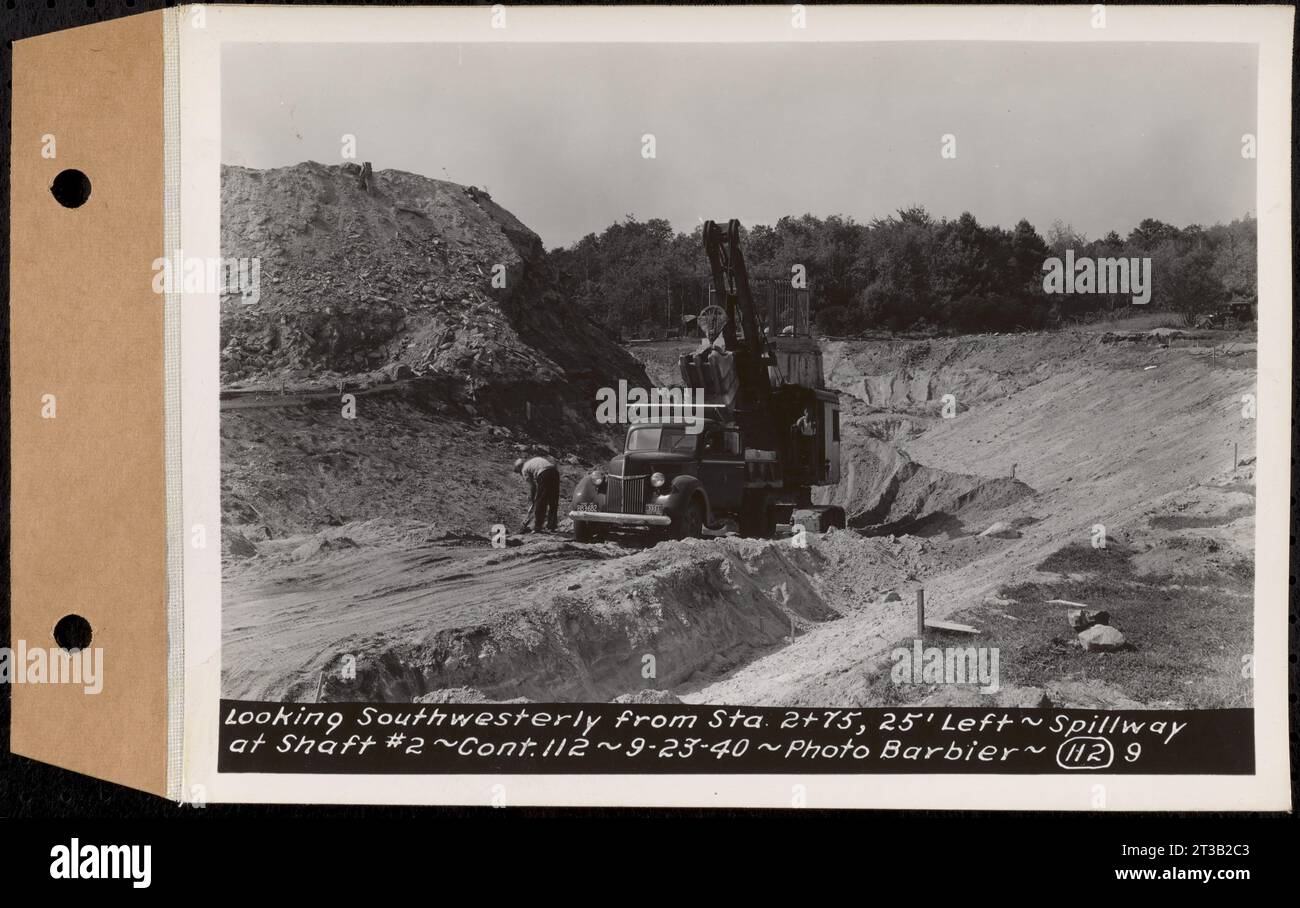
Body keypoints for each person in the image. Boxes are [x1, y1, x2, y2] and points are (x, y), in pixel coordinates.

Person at [514, 455, 560, 533]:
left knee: (541, 502)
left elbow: (532, 486)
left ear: (519, 467)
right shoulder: (534, 460)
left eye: (518, 472)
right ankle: (552, 526)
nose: (520, 474)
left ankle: (538, 527)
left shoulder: (524, 469)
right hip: (555, 472)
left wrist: (533, 498)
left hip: (544, 474)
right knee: (553, 500)